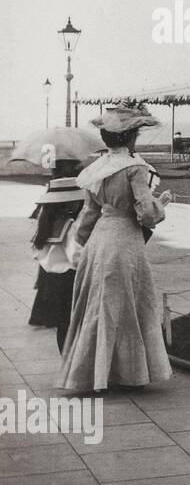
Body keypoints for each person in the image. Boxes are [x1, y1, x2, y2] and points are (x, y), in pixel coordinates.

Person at [57, 105, 173, 393]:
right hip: (124, 240)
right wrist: (162, 204)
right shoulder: (135, 168)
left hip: (100, 239)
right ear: (131, 137)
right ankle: (128, 373)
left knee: (99, 303)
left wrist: (84, 243)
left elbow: (88, 214)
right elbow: (146, 213)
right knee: (128, 304)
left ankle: (93, 373)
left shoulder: (97, 169)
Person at [28, 177, 86, 351]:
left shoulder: (47, 221)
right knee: (73, 324)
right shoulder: (70, 225)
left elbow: (39, 252)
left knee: (62, 325)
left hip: (50, 281)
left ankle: (65, 358)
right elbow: (76, 256)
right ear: (71, 204)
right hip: (69, 280)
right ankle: (72, 363)